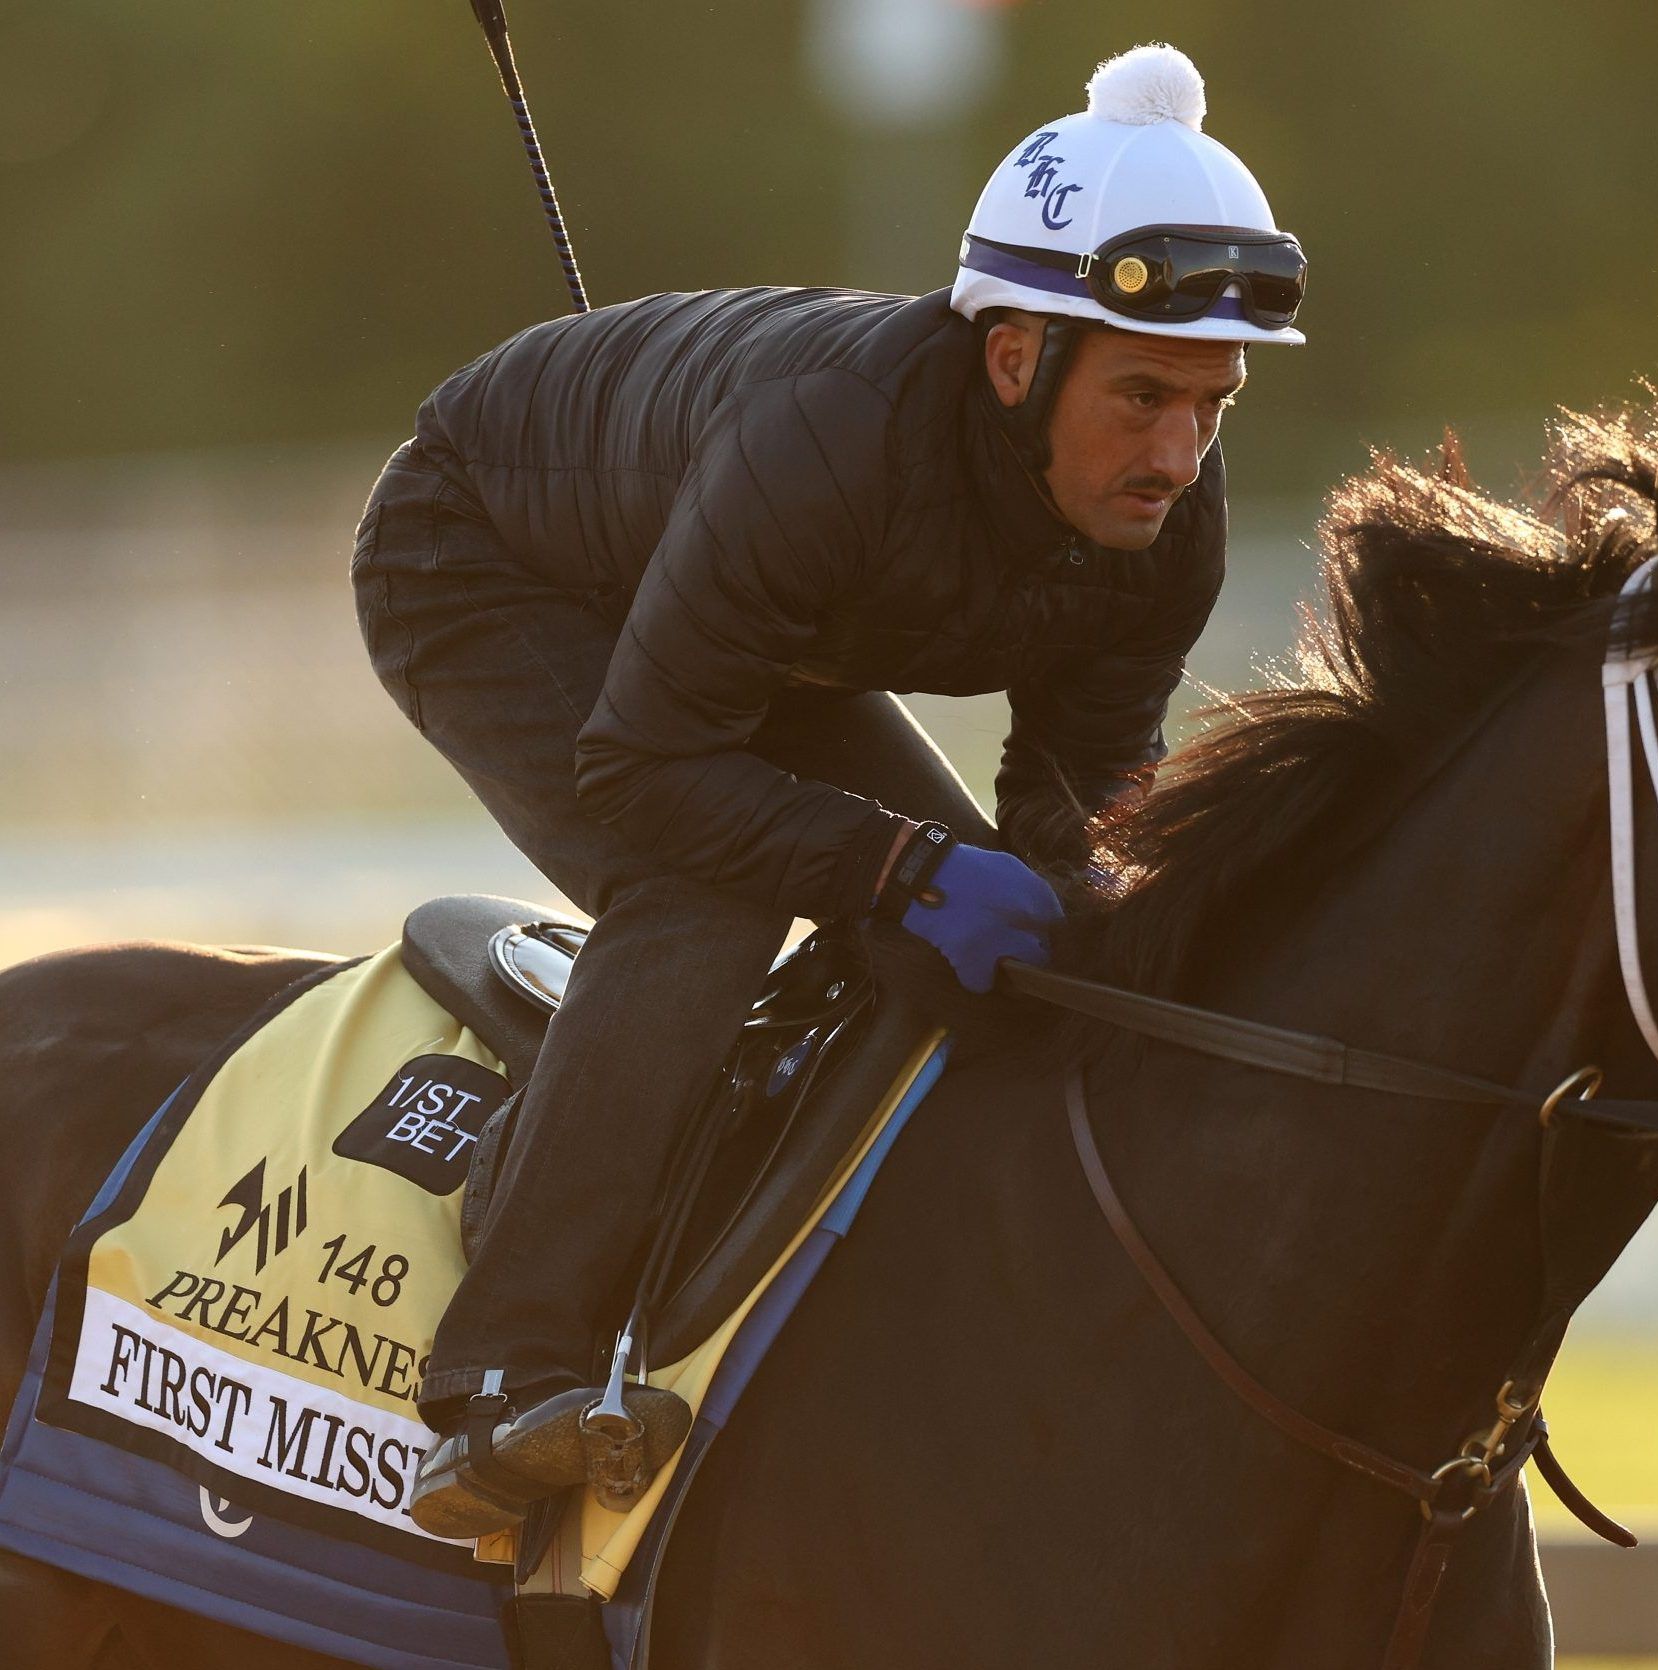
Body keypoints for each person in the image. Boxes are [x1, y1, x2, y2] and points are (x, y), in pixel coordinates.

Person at [349, 41, 1307, 1538]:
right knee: (710, 888)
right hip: (486, 559)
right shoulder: (831, 443)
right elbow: (648, 769)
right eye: (1142, 397)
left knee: (1015, 942)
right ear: (1014, 359)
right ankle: (500, 1378)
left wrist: (1097, 895)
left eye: (1213, 404)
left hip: (748, 629)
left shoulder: (1168, 519)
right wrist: (895, 869)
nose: (1179, 454)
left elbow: (1075, 803)